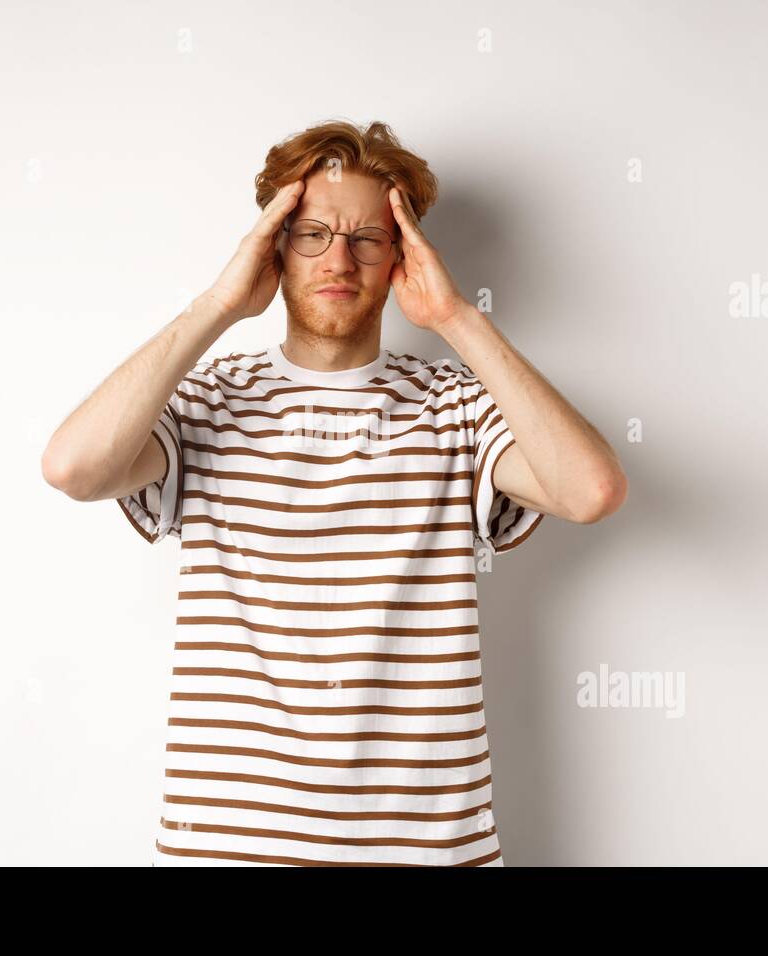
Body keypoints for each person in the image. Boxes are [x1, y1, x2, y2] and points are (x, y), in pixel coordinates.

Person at [41, 119, 627, 866]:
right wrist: (217, 305)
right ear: (275, 248)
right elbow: (72, 468)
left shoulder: (454, 406)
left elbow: (593, 490)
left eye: (367, 239)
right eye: (311, 233)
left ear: (400, 258)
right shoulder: (211, 400)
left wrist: (456, 318)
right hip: (230, 849)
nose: (338, 259)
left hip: (425, 852)